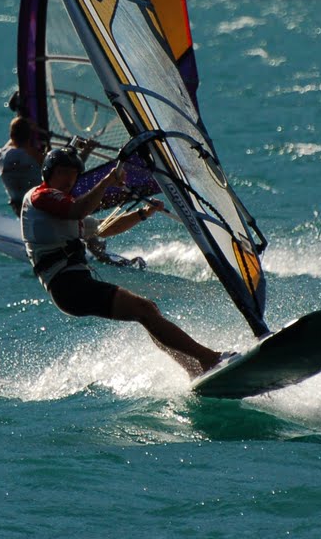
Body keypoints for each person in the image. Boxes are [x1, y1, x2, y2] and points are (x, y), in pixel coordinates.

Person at [21, 147, 226, 378]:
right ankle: (209, 359)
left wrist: (143, 214)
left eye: (73, 173)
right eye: (62, 172)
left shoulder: (63, 210)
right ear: (49, 173)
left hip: (75, 285)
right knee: (144, 309)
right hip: (68, 286)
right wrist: (107, 181)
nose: (69, 178)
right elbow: (79, 209)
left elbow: (103, 229)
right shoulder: (41, 196)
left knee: (147, 311)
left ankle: (194, 370)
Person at [0, 116, 46, 214]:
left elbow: (11, 142)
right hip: (39, 207)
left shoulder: (1, 155)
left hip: (18, 208)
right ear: (29, 136)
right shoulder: (36, 157)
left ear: (11, 135)